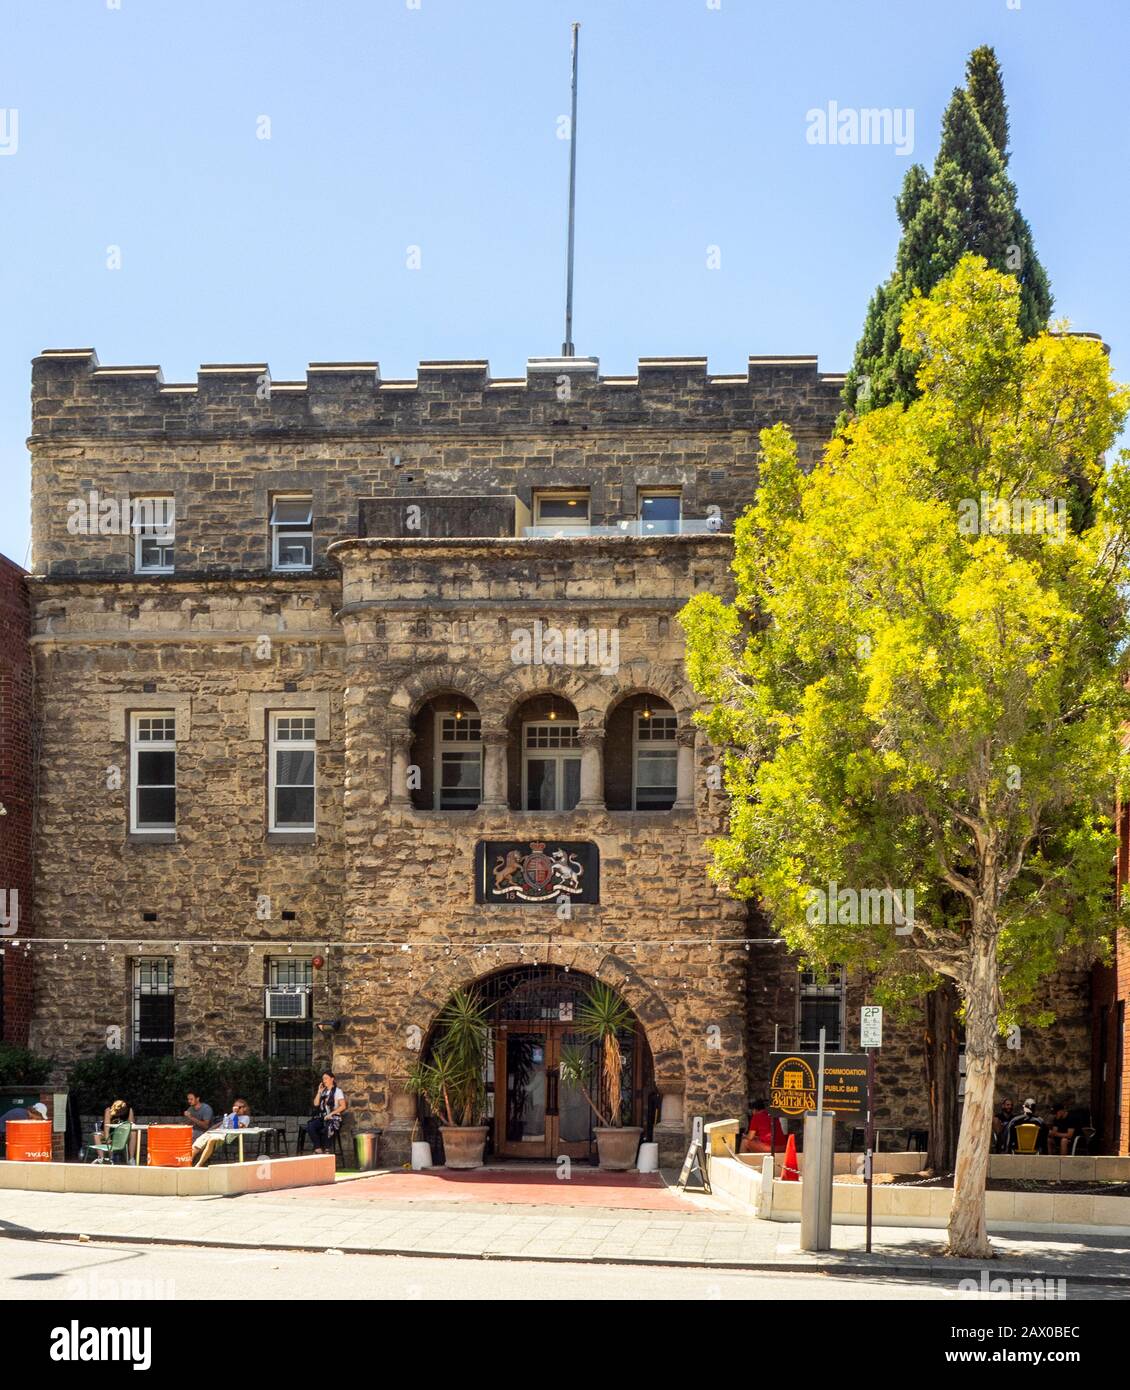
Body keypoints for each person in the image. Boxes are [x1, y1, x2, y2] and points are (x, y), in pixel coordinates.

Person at [193, 1097, 251, 1167]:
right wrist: (211, 1129)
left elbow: (238, 1126)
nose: (236, 1108)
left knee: (212, 1140)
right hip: (217, 1132)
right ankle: (188, 1162)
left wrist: (235, 1114)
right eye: (234, 1106)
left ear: (244, 1108)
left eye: (238, 1107)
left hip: (226, 1135)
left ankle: (198, 1165)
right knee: (198, 1142)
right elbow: (222, 1123)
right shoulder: (231, 1115)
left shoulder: (245, 1118)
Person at [306, 1072, 347, 1155]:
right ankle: (318, 1148)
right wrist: (319, 1092)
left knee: (329, 1126)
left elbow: (343, 1106)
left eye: (326, 1078)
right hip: (323, 1118)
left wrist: (331, 1114)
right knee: (311, 1126)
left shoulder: (337, 1091)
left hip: (334, 1118)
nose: (324, 1080)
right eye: (323, 1079)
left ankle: (327, 1149)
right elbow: (316, 1104)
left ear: (332, 1079)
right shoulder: (323, 1091)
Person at [99, 1098, 137, 1163]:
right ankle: (103, 1158)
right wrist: (108, 1139)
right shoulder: (109, 1110)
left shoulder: (129, 1110)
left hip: (122, 1133)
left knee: (133, 1133)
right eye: (119, 1111)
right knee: (96, 1135)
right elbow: (106, 1128)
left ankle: (131, 1159)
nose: (120, 1113)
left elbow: (131, 1125)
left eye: (122, 1111)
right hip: (110, 1132)